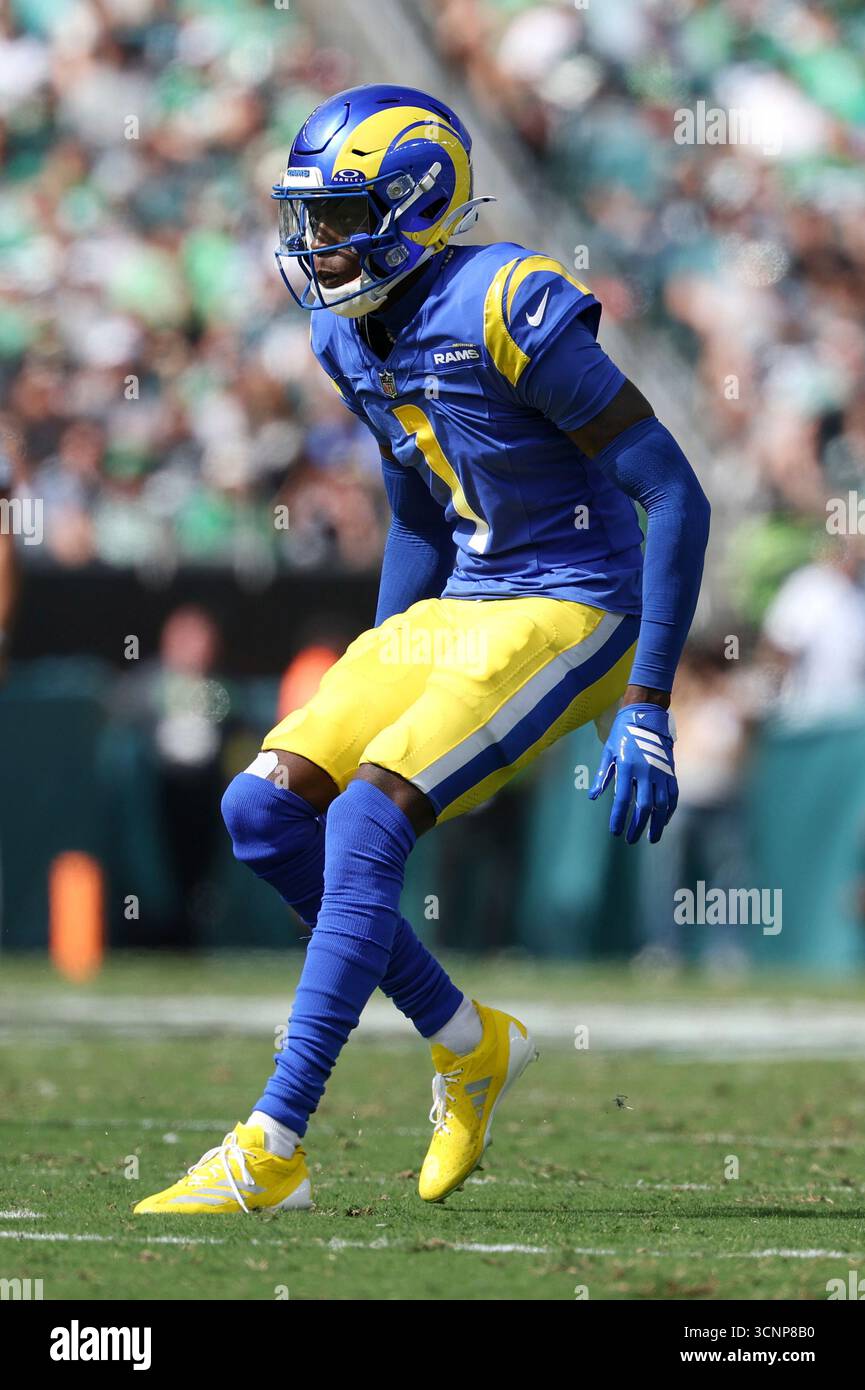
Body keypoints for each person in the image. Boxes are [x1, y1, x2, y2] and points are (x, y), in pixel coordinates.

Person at [135, 83, 710, 1215]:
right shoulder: (343, 331)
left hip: (578, 605)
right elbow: (415, 517)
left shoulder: (506, 302)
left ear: (416, 207)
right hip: (466, 599)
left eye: (340, 216)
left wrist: (647, 698)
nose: (317, 243)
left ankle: (274, 1142)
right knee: (262, 811)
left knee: (364, 819)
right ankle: (465, 1038)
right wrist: (385, 655)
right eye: (310, 218)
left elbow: (673, 491)